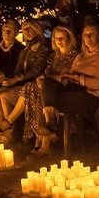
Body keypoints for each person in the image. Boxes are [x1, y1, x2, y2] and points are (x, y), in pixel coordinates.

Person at [36, 23, 99, 155]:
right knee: (46, 84)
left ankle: (50, 135)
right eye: (85, 34)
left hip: (89, 97)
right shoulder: (81, 56)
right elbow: (68, 76)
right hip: (72, 90)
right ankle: (50, 123)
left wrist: (77, 78)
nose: (88, 37)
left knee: (45, 98)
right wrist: (56, 79)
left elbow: (98, 84)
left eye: (91, 34)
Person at [0, 18, 50, 144]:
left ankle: (8, 130)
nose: (26, 31)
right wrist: (9, 80)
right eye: (24, 29)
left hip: (34, 86)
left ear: (37, 30)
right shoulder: (25, 50)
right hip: (22, 84)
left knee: (4, 96)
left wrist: (16, 79)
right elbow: (18, 70)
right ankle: (4, 132)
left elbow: (37, 70)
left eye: (29, 28)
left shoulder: (43, 49)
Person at [23, 25, 78, 155]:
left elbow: (65, 78)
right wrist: (43, 79)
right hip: (48, 89)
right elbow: (47, 73)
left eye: (62, 38)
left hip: (65, 90)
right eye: (56, 38)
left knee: (38, 90)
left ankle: (42, 140)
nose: (58, 41)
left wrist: (49, 78)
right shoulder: (53, 56)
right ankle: (44, 136)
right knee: (34, 88)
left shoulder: (76, 56)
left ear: (70, 39)